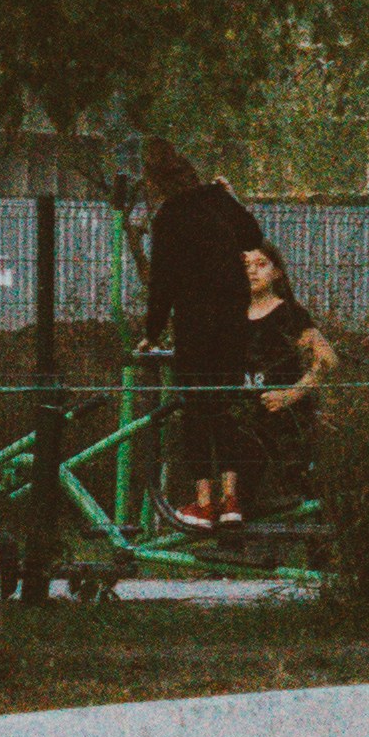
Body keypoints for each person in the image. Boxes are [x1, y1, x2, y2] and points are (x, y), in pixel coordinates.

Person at [138, 144, 269, 533]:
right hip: (232, 318)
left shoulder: (168, 217)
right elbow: (253, 235)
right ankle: (232, 499)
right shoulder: (217, 200)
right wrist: (229, 195)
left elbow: (163, 282)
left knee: (196, 407)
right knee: (224, 404)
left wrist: (151, 332)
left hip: (195, 321)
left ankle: (204, 501)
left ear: (158, 183)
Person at [234, 242, 340, 525]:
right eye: (246, 266)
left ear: (277, 272)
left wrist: (292, 394)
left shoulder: (288, 315)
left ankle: (320, 556)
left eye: (261, 264)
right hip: (243, 418)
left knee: (304, 491)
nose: (252, 272)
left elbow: (327, 359)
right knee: (235, 495)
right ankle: (225, 559)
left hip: (285, 422)